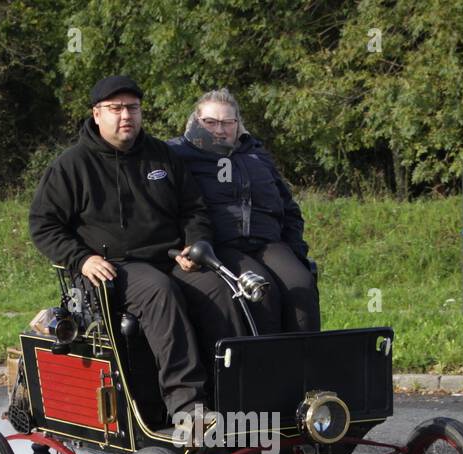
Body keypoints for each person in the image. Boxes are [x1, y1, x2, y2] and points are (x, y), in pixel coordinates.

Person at [29, 75, 236, 424]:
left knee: (221, 290)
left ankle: (236, 402)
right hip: (113, 269)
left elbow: (194, 209)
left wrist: (193, 242)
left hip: (171, 259)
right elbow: (43, 225)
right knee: (160, 292)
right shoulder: (71, 166)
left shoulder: (163, 156)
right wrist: (82, 259)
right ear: (97, 114)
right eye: (116, 109)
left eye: (133, 108)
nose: (126, 115)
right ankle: (189, 410)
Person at [168, 88, 319, 334]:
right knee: (261, 291)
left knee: (301, 286)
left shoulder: (257, 154)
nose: (219, 129)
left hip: (269, 243)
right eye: (210, 122)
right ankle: (260, 368)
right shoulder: (178, 154)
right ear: (196, 122)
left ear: (238, 124)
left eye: (228, 122)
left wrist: (296, 251)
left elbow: (289, 207)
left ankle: (304, 366)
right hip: (220, 246)